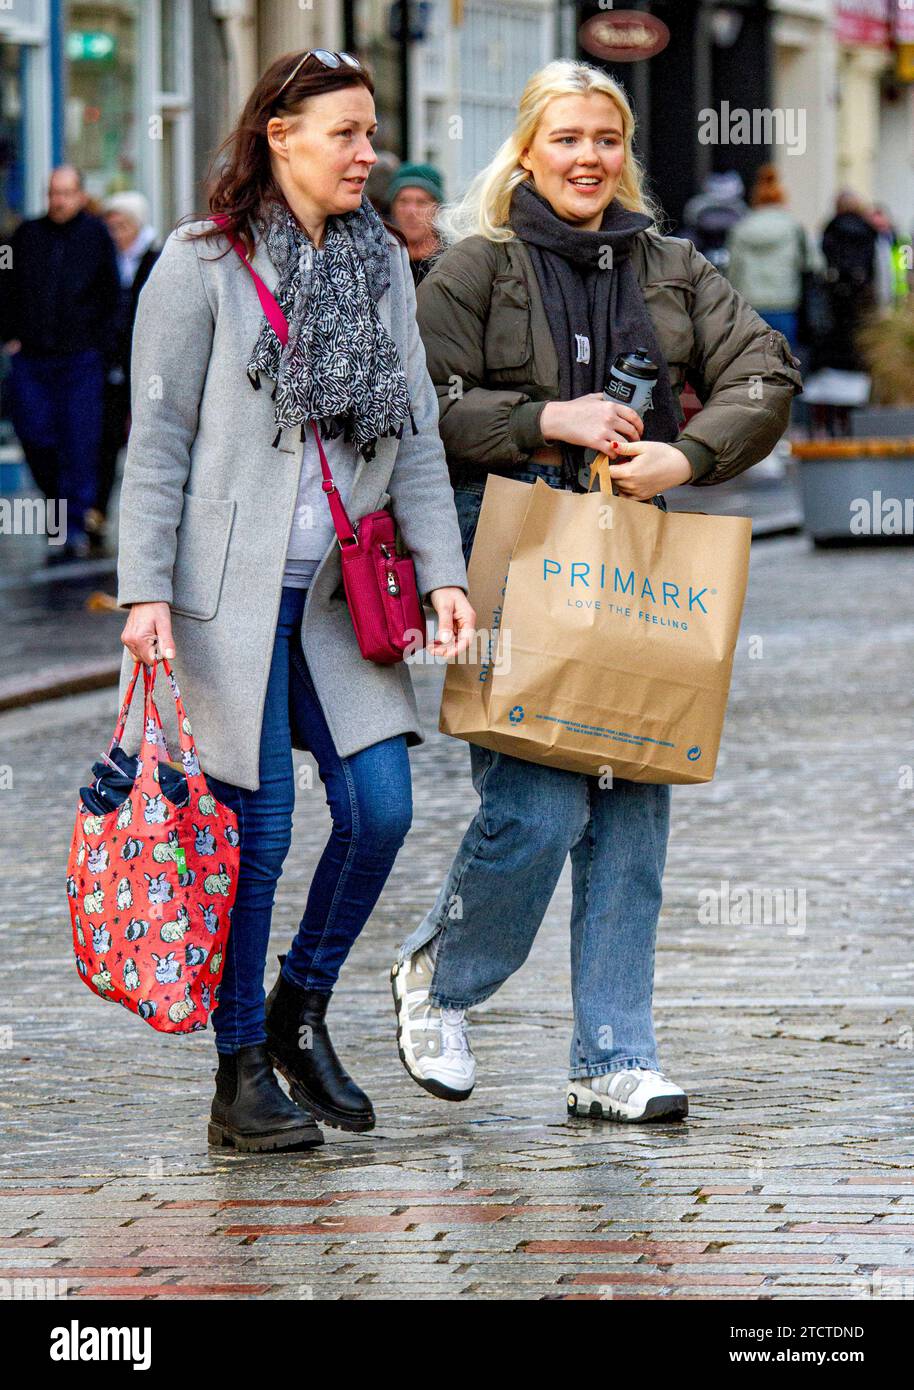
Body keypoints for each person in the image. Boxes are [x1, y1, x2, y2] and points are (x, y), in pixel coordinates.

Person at [391, 59, 802, 1124]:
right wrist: (542, 422)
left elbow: (765, 370)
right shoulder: (471, 268)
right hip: (510, 550)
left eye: (605, 139)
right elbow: (422, 408)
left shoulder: (668, 265)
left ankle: (611, 1053)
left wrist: (689, 456)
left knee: (631, 806)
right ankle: (440, 975)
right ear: (526, 149)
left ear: (623, 154)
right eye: (566, 138)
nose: (587, 158)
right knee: (533, 805)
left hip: (632, 551)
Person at [116, 49, 475, 1152]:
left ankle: (296, 1008)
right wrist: (143, 595)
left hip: (337, 596)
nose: (367, 154)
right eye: (345, 134)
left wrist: (445, 570)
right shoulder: (200, 262)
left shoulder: (379, 266)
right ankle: (238, 1077)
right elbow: (159, 441)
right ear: (279, 135)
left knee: (382, 809)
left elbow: (413, 432)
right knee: (259, 832)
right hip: (226, 601)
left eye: (370, 133)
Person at [0, 165, 119, 561]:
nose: (59, 200)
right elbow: (7, 285)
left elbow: (110, 294)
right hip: (32, 359)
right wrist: (10, 335)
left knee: (79, 442)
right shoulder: (26, 236)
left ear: (81, 195)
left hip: (80, 358)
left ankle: (72, 526)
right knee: (35, 436)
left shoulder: (96, 235)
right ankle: (60, 513)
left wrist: (103, 346)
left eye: (66, 193)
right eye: (53, 193)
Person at [93, 193, 161, 557]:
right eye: (111, 226)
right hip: (111, 363)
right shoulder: (105, 259)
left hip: (147, 365)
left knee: (146, 442)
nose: (114, 233)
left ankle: (143, 530)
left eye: (120, 226)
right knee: (104, 439)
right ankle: (97, 514)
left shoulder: (158, 257)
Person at [725, 163, 809, 353]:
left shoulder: (741, 229)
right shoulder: (793, 228)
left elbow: (732, 269)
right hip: (784, 303)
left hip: (750, 305)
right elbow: (811, 263)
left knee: (752, 361)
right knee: (785, 362)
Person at [819, 190, 878, 372]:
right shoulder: (868, 230)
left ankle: (836, 370)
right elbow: (874, 263)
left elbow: (821, 259)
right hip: (861, 290)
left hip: (835, 290)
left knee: (836, 334)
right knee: (859, 333)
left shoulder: (830, 228)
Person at [389, 162, 445, 284]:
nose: (411, 212)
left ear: (437, 209)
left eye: (421, 202)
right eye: (403, 201)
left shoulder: (450, 263)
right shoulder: (383, 261)